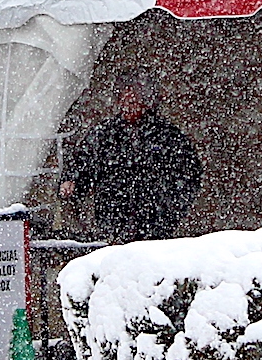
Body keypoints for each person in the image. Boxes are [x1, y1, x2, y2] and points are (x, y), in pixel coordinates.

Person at [61, 71, 202, 243]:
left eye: (133, 101)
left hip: (155, 226)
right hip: (112, 222)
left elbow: (188, 175)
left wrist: (169, 209)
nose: (127, 106)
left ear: (147, 102)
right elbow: (82, 164)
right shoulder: (104, 134)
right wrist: (72, 181)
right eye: (123, 100)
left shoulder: (169, 137)